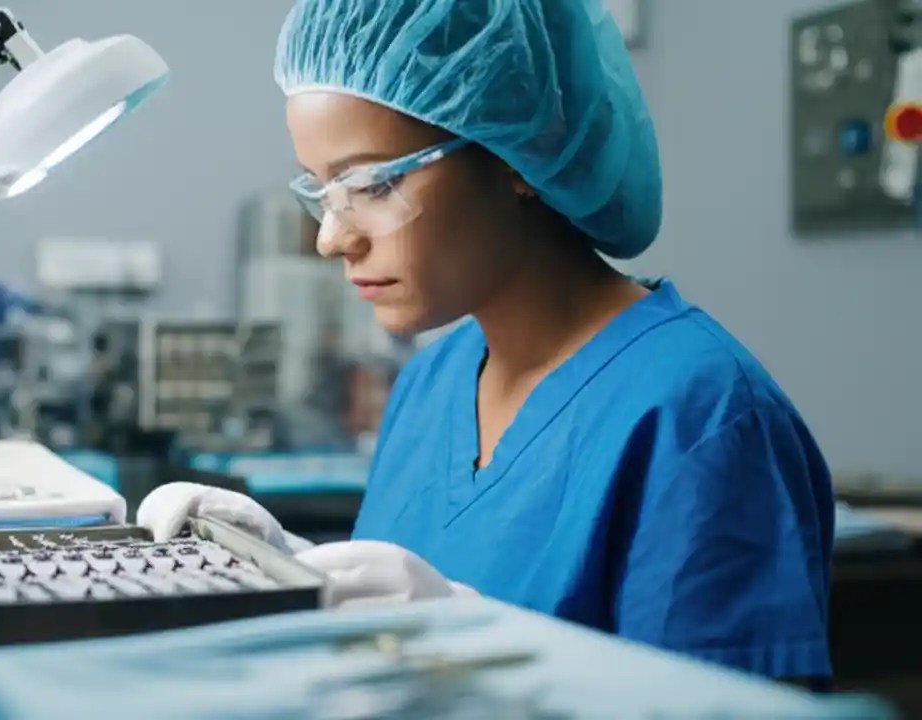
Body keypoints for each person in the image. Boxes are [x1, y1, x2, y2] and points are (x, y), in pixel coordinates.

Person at [139, 0, 834, 683]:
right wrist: (288, 571)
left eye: (373, 183)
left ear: (515, 156)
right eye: (321, 191)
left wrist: (492, 653)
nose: (331, 237)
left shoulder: (700, 417)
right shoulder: (430, 382)